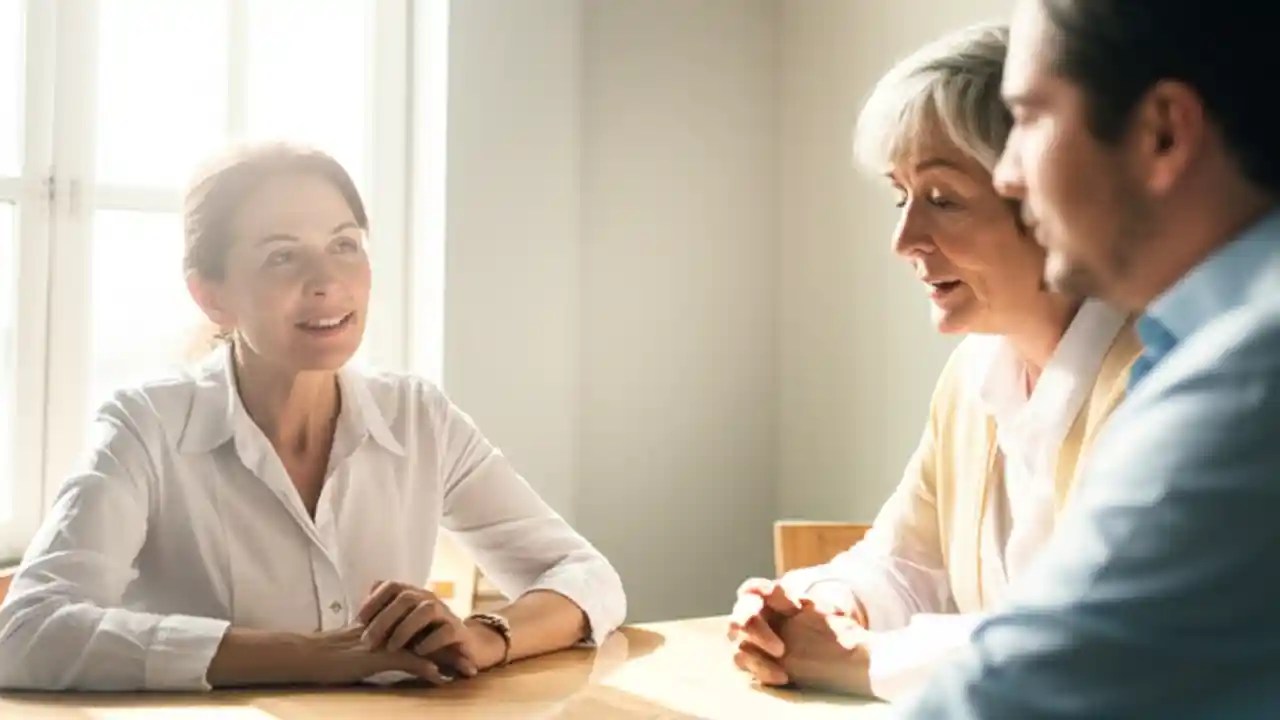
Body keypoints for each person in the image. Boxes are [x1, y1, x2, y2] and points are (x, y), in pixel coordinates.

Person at [0, 143, 626, 691]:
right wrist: (318, 655)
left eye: (345, 245)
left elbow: (586, 576)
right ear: (211, 295)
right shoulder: (146, 426)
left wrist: (487, 635)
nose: (328, 281)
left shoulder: (417, 417)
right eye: (281, 257)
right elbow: (27, 632)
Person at [727, 22, 1140, 702]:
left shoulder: (1149, 382)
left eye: (943, 200)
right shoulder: (976, 375)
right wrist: (821, 607)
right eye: (901, 195)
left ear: (1049, 199)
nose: (904, 239)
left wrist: (863, 661)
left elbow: (1096, 645)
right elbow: (904, 561)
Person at [905, 1, 1280, 717]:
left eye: (1031, 118)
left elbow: (1009, 700)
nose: (1010, 175)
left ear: (1163, 132)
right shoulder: (1199, 356)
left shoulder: (1247, 392)